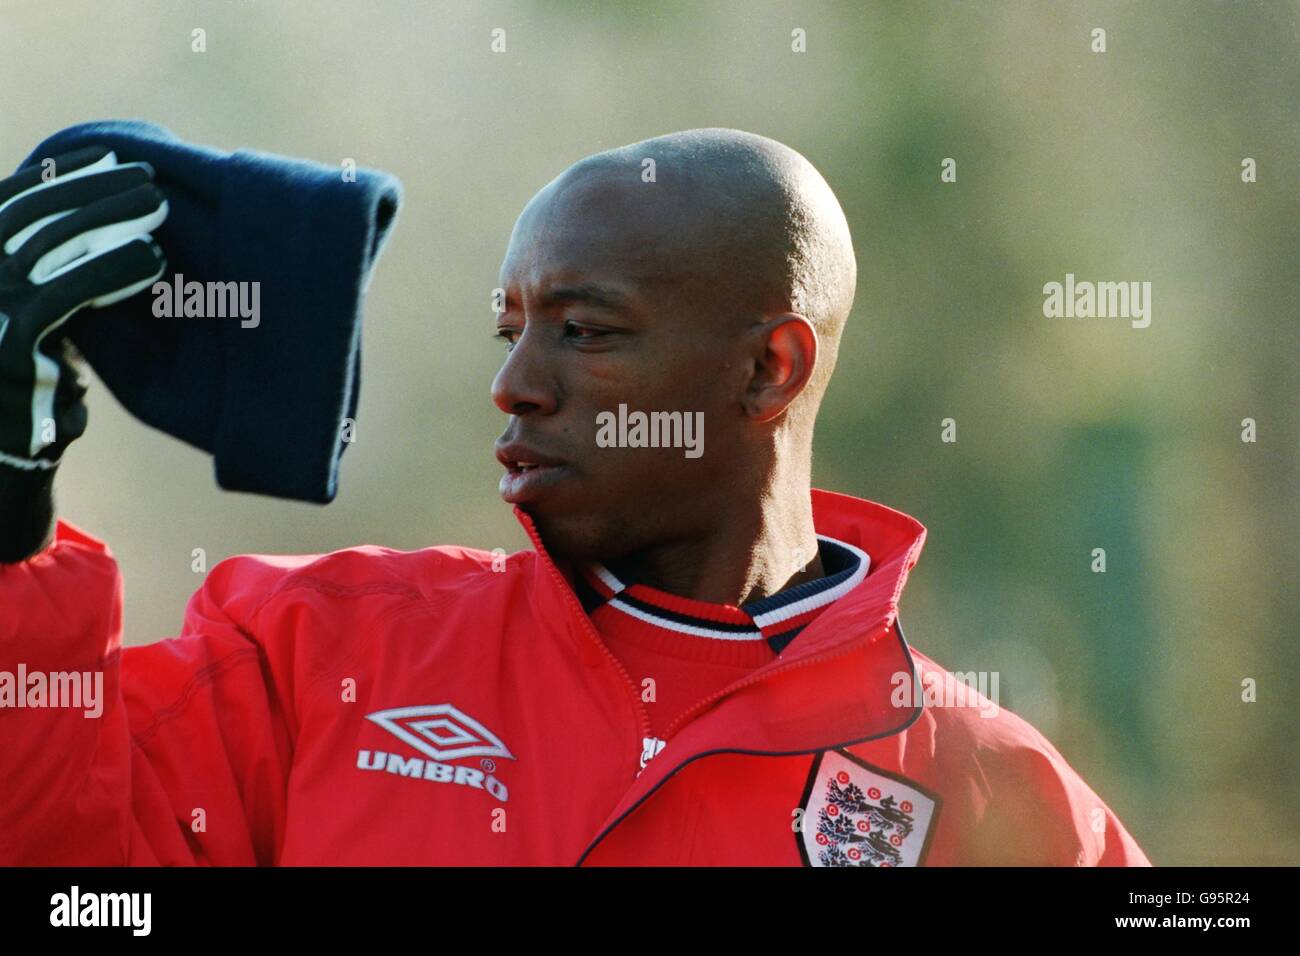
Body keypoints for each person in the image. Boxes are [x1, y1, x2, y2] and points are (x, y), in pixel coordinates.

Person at [0, 128, 1150, 866]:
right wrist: (8, 523)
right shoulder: (311, 653)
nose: (513, 382)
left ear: (770, 368)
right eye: (512, 328)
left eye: (584, 332)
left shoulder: (999, 797)